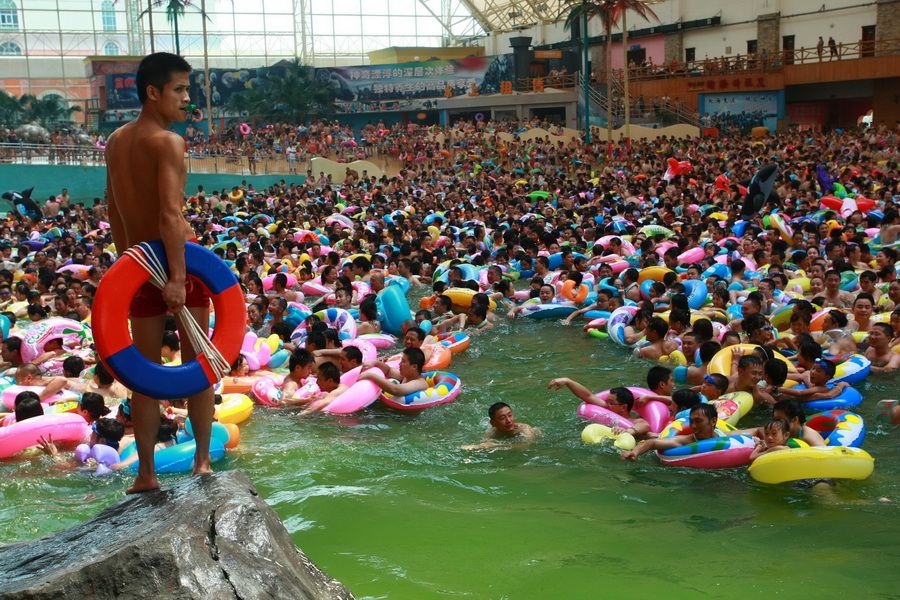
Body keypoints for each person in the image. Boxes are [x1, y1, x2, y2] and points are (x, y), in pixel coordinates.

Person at [106, 52, 216, 493]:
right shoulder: (168, 142)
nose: (187, 99)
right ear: (154, 93)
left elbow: (114, 209)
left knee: (144, 374)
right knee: (199, 365)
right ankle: (203, 464)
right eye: (180, 90)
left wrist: (127, 268)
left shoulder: (116, 140)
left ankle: (146, 474)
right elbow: (171, 215)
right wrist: (175, 277)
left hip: (137, 264)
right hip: (177, 265)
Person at [620, 404, 719, 460]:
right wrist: (634, 452)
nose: (693, 426)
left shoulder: (724, 436)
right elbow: (652, 442)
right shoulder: (686, 441)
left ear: (713, 421)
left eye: (698, 421)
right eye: (691, 421)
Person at [462, 402, 537, 450]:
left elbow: (524, 446)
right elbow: (485, 444)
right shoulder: (491, 432)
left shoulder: (525, 429)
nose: (508, 420)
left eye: (510, 415)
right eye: (502, 418)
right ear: (493, 423)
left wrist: (496, 445)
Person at [359, 347, 428, 397]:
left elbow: (396, 390)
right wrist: (375, 362)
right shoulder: (407, 376)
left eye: (403, 362)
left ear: (414, 367)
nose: (399, 364)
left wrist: (371, 376)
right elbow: (389, 371)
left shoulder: (419, 383)